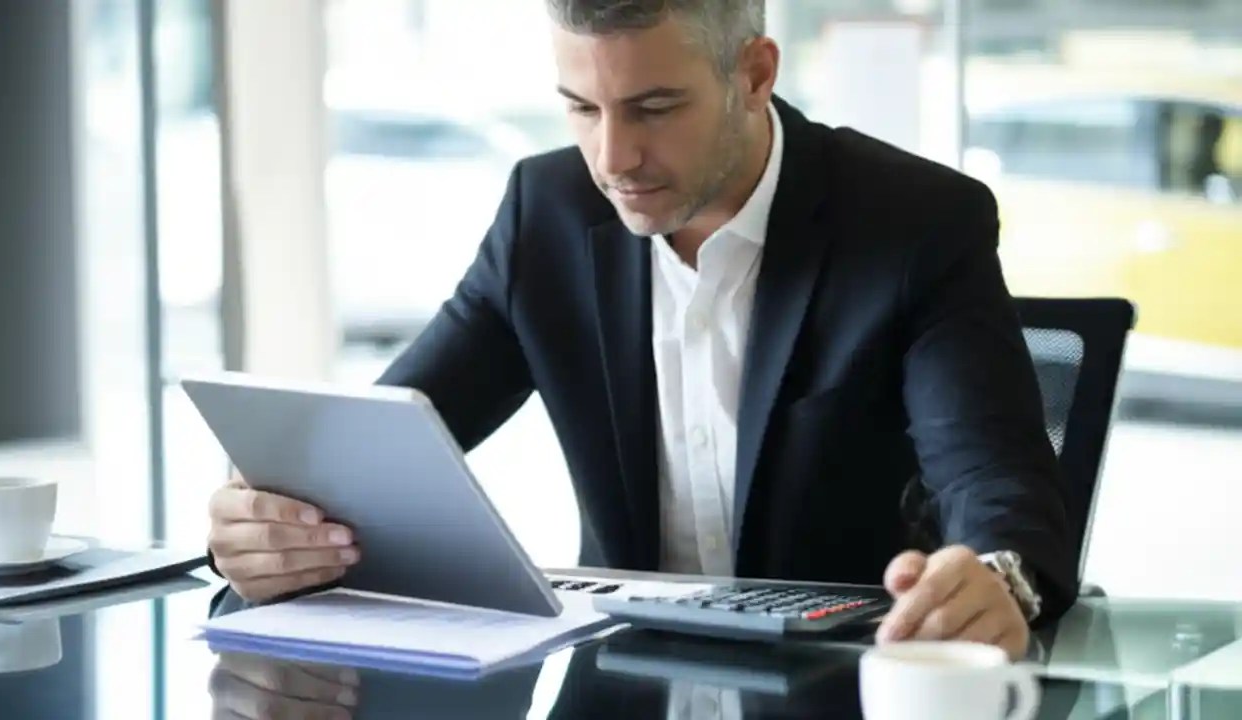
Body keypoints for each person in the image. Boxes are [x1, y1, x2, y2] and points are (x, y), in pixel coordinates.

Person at [206, 0, 1077, 659]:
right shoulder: (543, 214)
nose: (613, 158)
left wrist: (997, 579)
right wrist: (266, 527)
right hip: (622, 679)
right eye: (582, 109)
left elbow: (997, 482)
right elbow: (384, 451)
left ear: (755, 73)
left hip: (840, 683)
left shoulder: (915, 223)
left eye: (654, 108)